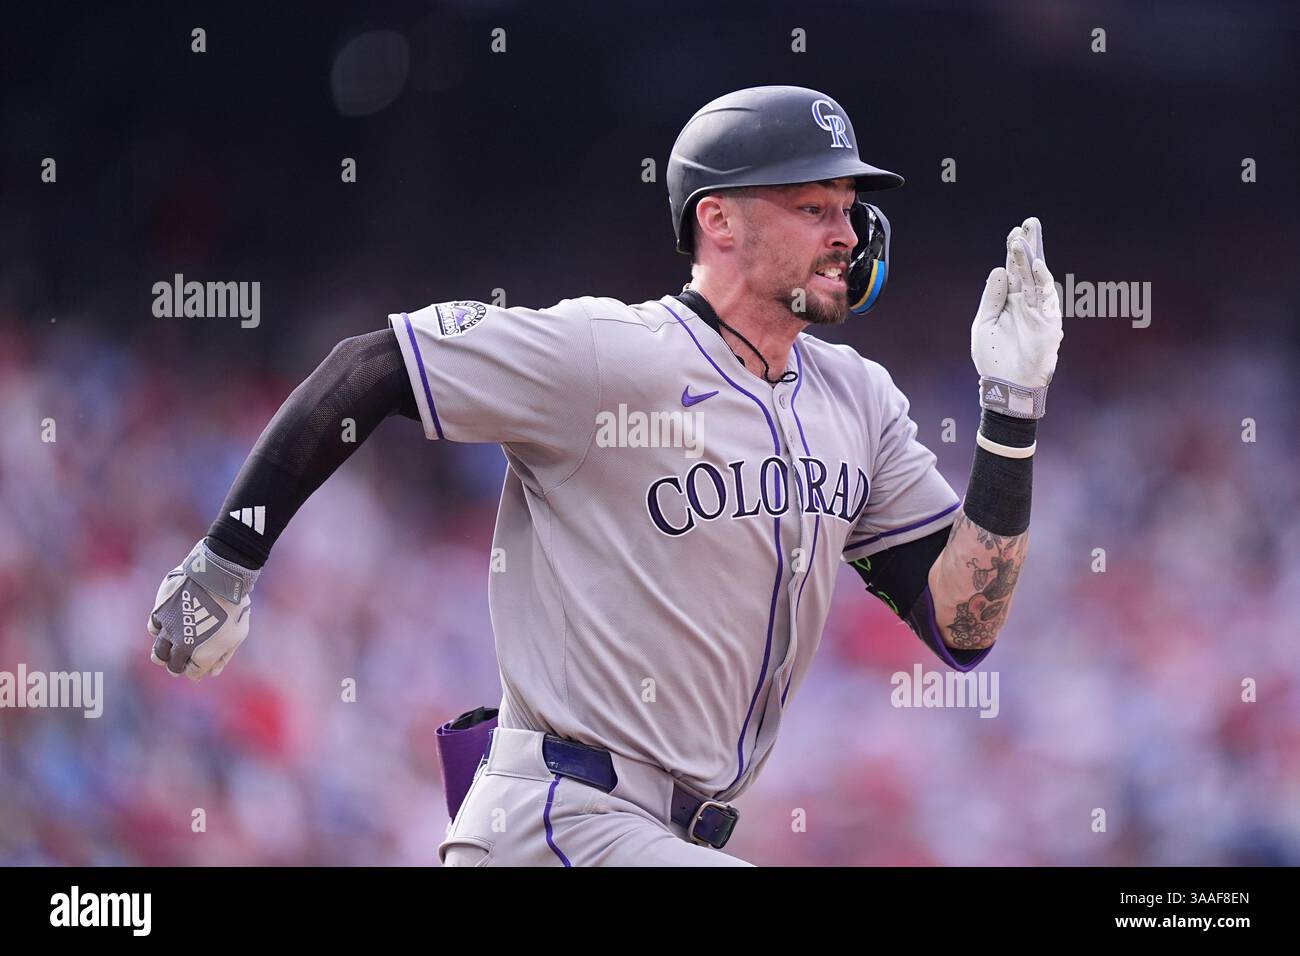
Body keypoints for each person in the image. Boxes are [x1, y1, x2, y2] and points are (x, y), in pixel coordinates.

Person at [147, 85, 1064, 866]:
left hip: (672, 839)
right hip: (562, 816)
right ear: (720, 219)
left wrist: (1011, 409)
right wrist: (227, 560)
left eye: (850, 208)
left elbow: (961, 623)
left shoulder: (856, 400)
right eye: (815, 205)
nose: (847, 231)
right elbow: (369, 366)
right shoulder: (611, 353)